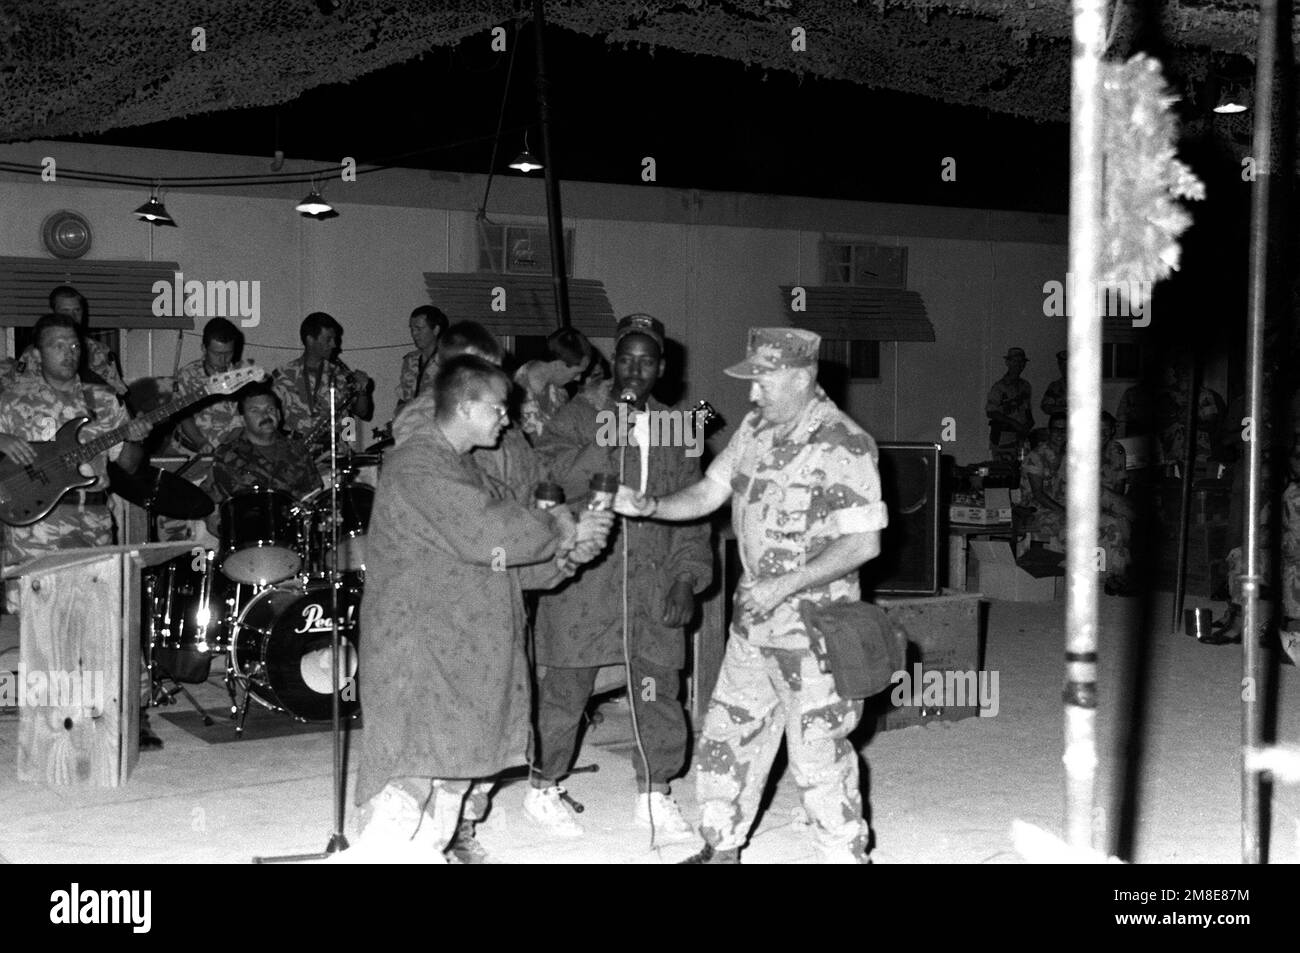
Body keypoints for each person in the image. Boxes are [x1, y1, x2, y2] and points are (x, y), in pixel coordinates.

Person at [615, 327, 888, 864]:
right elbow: (710, 492)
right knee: (728, 735)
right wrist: (650, 506)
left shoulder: (843, 442)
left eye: (762, 380)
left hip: (815, 630)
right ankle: (721, 846)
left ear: (801, 377)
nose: (752, 392)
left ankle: (843, 854)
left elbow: (863, 542)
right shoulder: (755, 429)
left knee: (818, 754)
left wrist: (784, 585)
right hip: (754, 623)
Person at [351, 355, 613, 863]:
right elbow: (489, 533)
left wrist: (570, 554)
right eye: (497, 408)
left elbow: (500, 561)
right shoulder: (417, 465)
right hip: (420, 653)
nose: (507, 418)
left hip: (461, 649)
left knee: (456, 771)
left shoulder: (462, 469)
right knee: (410, 775)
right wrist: (563, 528)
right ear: (467, 406)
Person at [527, 314, 711, 841]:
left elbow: (692, 508)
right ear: (614, 360)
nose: (635, 370)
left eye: (646, 360)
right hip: (587, 572)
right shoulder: (580, 412)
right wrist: (612, 434)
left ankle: (655, 795)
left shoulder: (678, 426)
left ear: (662, 367)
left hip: (653, 575)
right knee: (567, 685)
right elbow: (549, 478)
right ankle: (543, 787)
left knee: (657, 687)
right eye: (626, 359)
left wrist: (687, 578)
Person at [0, 313, 157, 745]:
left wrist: (138, 436)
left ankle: (130, 715)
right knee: (45, 623)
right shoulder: (12, 399)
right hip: (36, 523)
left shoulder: (103, 400)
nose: (68, 353)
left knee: (109, 615)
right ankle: (53, 721)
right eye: (57, 345)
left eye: (74, 345)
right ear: (36, 352)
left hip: (92, 517)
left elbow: (128, 464)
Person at [1018, 412, 1134, 594]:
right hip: (1041, 510)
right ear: (1049, 431)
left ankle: (1116, 576)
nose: (1060, 433)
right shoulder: (1037, 455)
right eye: (1056, 429)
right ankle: (1094, 574)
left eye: (1065, 430)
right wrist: (1067, 512)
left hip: (1070, 508)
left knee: (1114, 523)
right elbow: (1038, 495)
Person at [205, 384, 321, 517]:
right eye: (255, 411)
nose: (265, 415)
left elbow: (313, 494)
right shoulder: (226, 455)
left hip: (292, 531)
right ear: (243, 419)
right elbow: (209, 501)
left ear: (278, 414)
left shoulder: (297, 450)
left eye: (270, 409)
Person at [271, 312, 373, 447]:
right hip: (297, 453)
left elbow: (362, 413)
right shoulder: (284, 375)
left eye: (334, 339)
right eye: (328, 339)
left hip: (335, 453)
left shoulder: (341, 375)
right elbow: (271, 420)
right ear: (310, 340)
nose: (334, 345)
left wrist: (362, 390)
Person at [17, 286, 128, 397]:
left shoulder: (98, 350)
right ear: (52, 312)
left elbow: (117, 393)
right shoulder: (35, 353)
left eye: (77, 310)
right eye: (66, 311)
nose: (73, 317)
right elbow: (19, 392)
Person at [172, 318, 250, 456]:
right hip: (188, 451)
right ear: (204, 348)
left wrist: (228, 446)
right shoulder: (187, 375)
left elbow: (246, 417)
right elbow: (183, 415)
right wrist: (200, 441)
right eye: (217, 353)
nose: (223, 359)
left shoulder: (243, 375)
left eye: (228, 353)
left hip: (228, 453)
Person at [514, 327, 593, 440]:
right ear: (557, 365)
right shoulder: (514, 393)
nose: (578, 378)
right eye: (576, 373)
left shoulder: (559, 392)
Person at [395, 305, 448, 416]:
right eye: (412, 329)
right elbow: (404, 398)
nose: (414, 334)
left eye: (419, 329)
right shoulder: (410, 360)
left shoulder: (450, 361)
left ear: (436, 330)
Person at [985, 346, 1033, 460]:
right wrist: (1013, 423)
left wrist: (1029, 423)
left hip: (1020, 437)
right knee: (1003, 471)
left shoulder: (1025, 386)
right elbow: (990, 412)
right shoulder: (999, 387)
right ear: (1008, 363)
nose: (1019, 365)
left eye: (1021, 362)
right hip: (1003, 436)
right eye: (1015, 361)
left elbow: (1027, 410)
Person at [1041, 350, 1068, 417]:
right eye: (1062, 365)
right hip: (1060, 424)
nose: (1065, 368)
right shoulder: (1055, 386)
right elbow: (1046, 407)